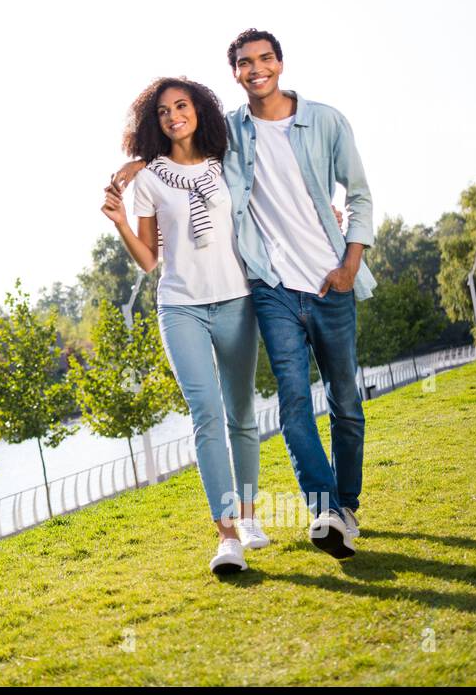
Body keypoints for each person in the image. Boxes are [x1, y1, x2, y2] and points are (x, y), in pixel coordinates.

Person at [111, 29, 376, 560]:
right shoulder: (201, 150)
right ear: (234, 73)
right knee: (262, 407)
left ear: (280, 63)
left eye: (264, 59)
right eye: (244, 63)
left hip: (287, 289)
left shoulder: (285, 132)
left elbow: (348, 194)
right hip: (239, 293)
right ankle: (277, 522)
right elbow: (155, 234)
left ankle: (334, 509)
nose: (256, 70)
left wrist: (348, 255)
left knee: (320, 405)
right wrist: (133, 177)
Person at [101, 76, 266, 576]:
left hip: (237, 300)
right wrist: (121, 224)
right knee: (206, 415)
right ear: (153, 122)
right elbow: (149, 261)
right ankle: (227, 535)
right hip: (181, 307)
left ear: (199, 110)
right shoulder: (149, 181)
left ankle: (253, 515)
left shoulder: (229, 162)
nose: (174, 116)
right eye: (163, 112)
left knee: (241, 414)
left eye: (182, 106)